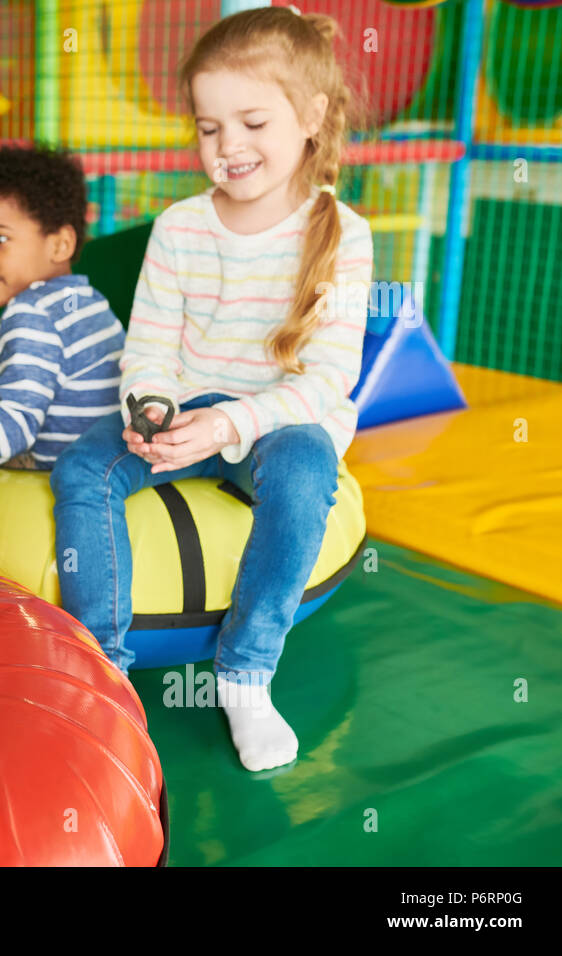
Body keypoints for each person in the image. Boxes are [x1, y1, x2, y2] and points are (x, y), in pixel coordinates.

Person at [51, 7, 374, 772]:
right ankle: (106, 671)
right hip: (190, 410)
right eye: (208, 127)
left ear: (310, 118)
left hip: (280, 420)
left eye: (252, 122)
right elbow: (151, 348)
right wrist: (151, 406)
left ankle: (246, 675)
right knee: (81, 469)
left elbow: (328, 380)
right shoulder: (181, 228)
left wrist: (231, 423)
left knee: (303, 471)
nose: (228, 147)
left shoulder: (341, 233)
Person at [0, 144, 126, 471]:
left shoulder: (30, 313)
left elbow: (9, 435)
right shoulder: (89, 300)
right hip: (112, 458)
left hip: (54, 467)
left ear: (59, 244)